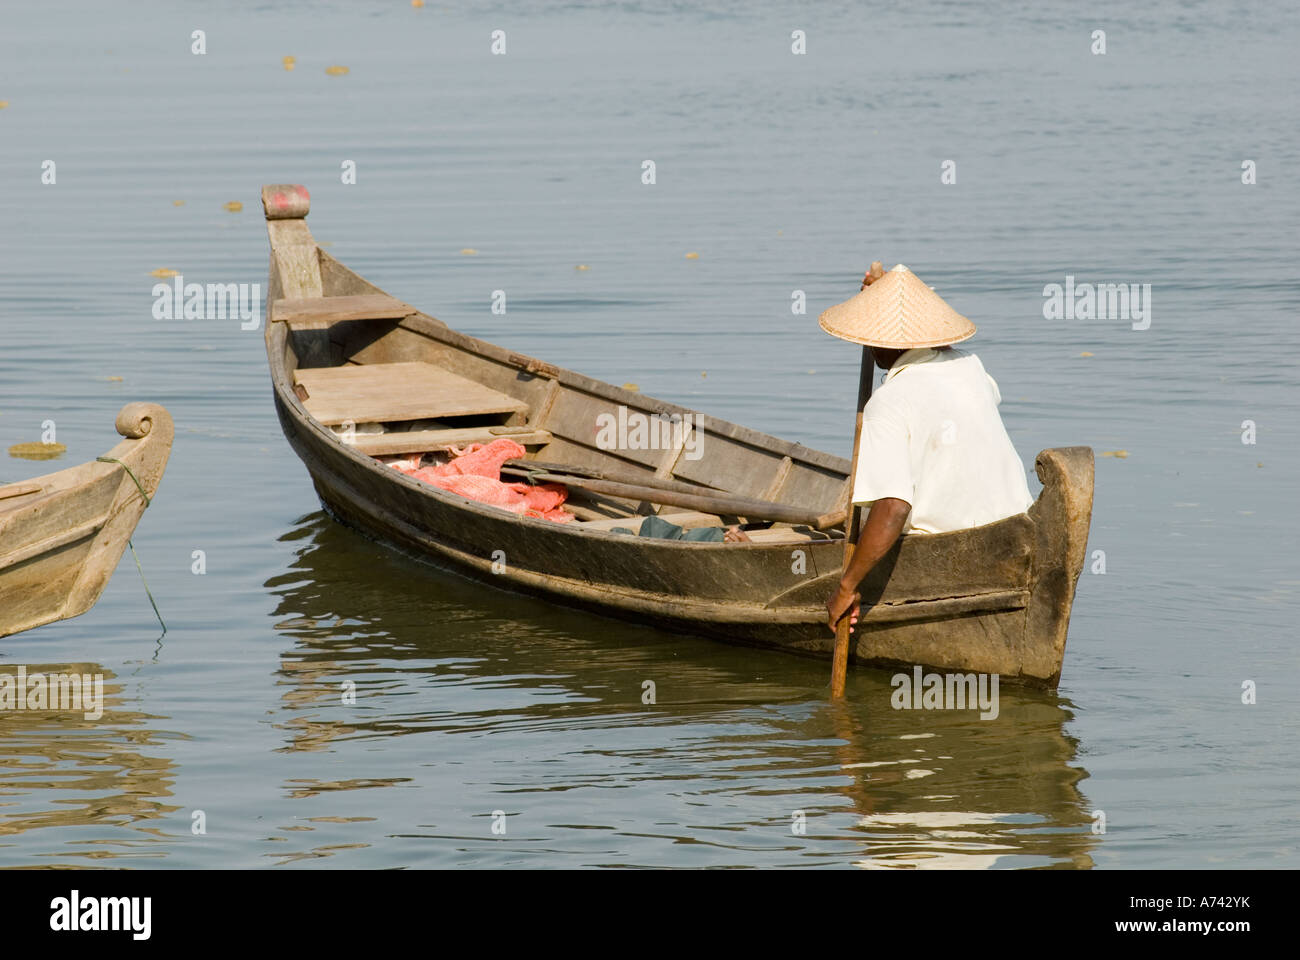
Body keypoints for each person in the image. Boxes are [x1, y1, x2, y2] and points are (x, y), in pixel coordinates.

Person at [821, 263, 1034, 634]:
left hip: (947, 550)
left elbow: (893, 507)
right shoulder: (969, 365)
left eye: (872, 338)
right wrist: (885, 294)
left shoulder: (888, 403)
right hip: (1019, 533)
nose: (868, 347)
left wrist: (847, 586)